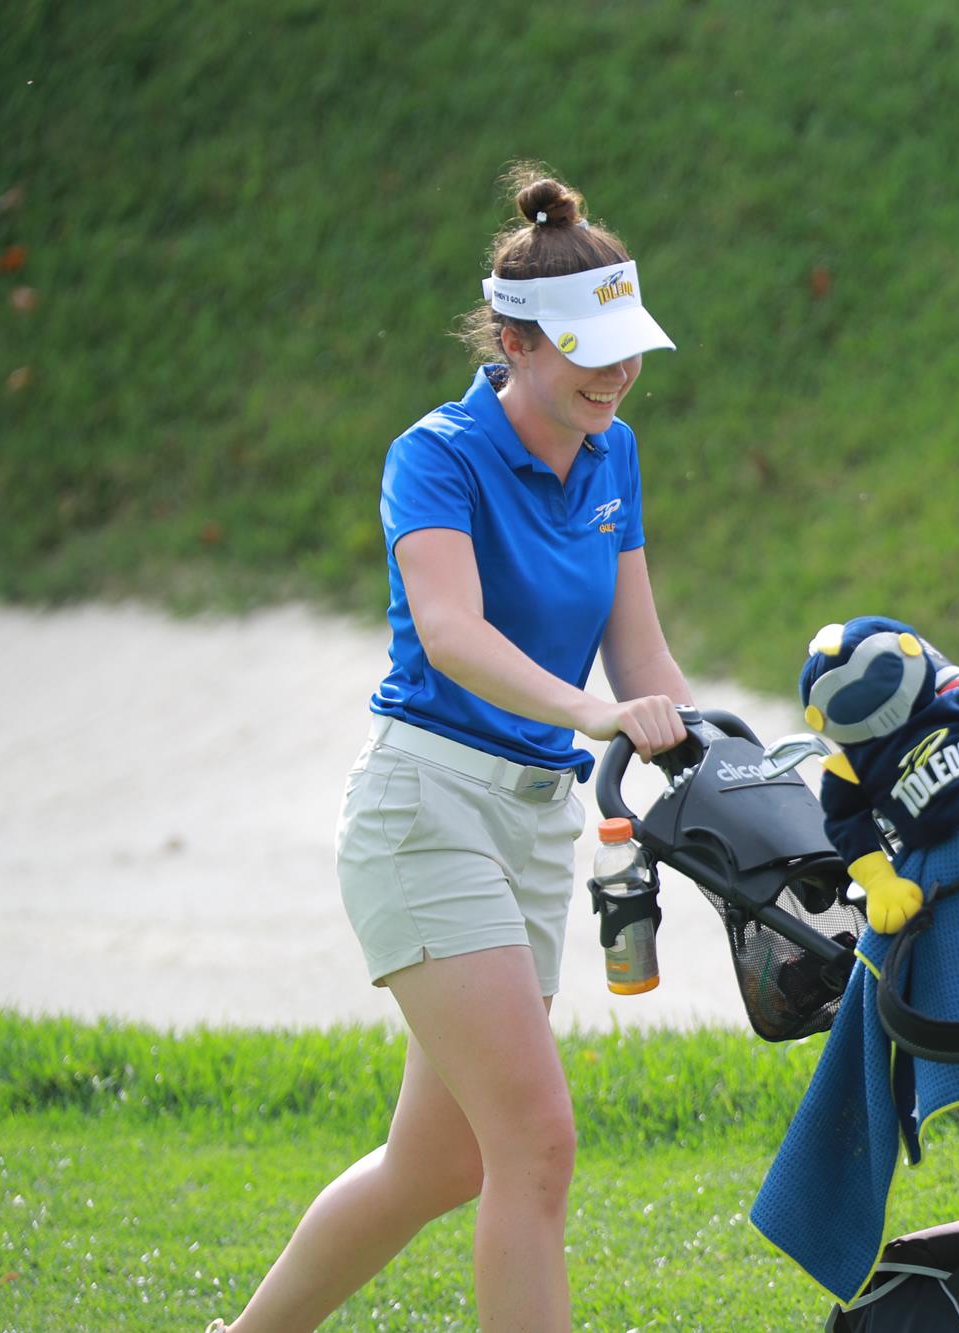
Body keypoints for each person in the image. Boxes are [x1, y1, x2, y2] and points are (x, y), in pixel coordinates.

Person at [211, 168, 692, 1333]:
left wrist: (710, 747)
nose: (615, 373)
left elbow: (638, 645)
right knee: (533, 1145)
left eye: (626, 347)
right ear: (517, 342)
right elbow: (452, 632)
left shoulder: (612, 451)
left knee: (440, 1166)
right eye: (589, 351)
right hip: (426, 811)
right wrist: (587, 718)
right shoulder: (435, 455)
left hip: (532, 822)